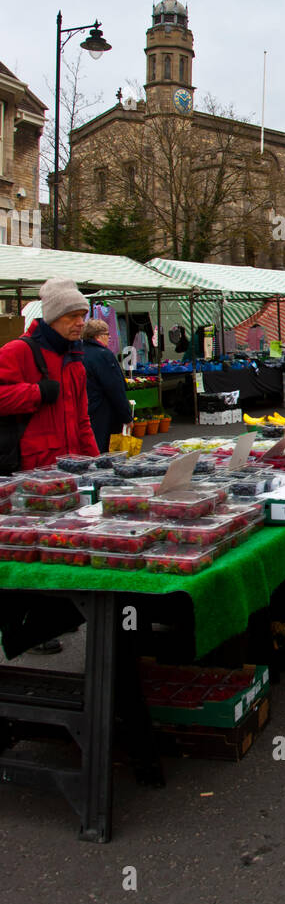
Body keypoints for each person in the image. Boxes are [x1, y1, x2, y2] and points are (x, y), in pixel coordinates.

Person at [0, 278, 100, 655]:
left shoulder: (75, 359)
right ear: (54, 317)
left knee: (61, 548)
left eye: (83, 315)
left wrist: (94, 464)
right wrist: (38, 392)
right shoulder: (18, 351)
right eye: (74, 316)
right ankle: (18, 627)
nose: (80, 323)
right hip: (28, 472)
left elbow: (82, 419)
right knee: (27, 553)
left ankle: (48, 620)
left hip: (68, 471)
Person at [83, 317, 134, 452]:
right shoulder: (104, 355)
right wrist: (127, 416)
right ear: (98, 335)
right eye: (107, 334)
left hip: (85, 410)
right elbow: (115, 388)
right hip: (103, 413)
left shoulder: (79, 352)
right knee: (106, 451)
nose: (109, 337)